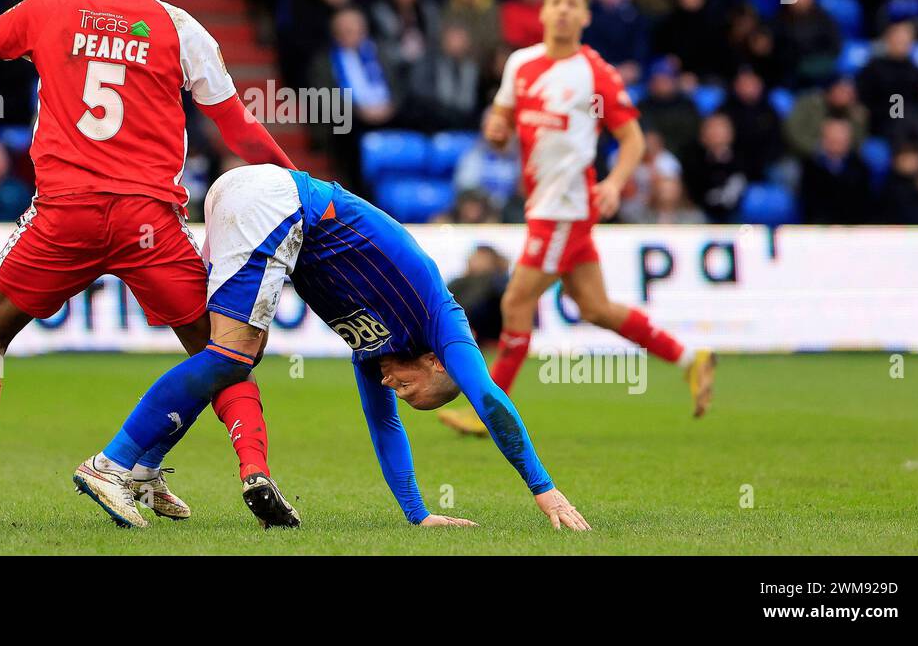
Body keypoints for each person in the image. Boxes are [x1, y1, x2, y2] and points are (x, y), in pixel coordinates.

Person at [0, 0, 296, 527]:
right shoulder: (179, 29)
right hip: (149, 223)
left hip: (64, 216)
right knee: (221, 353)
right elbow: (241, 131)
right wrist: (298, 185)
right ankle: (252, 470)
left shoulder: (45, 10)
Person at [75, 164, 591, 533]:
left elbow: (383, 425)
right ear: (436, 362)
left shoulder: (375, 354)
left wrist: (418, 513)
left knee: (232, 357)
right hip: (278, 203)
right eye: (413, 388)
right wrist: (543, 488)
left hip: (248, 199)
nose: (394, 387)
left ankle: (144, 468)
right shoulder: (444, 323)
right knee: (233, 355)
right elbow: (491, 400)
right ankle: (112, 462)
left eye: (401, 392)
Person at [439, 0, 716, 443]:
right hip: (542, 202)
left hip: (568, 205)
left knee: (516, 300)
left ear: (586, 17)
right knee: (595, 308)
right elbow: (501, 115)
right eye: (556, 2)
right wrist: (496, 128)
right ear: (542, 13)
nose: (564, 10)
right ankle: (690, 358)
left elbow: (632, 139)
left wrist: (614, 182)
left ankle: (486, 411)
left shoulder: (596, 73)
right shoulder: (520, 63)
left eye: (573, 4)